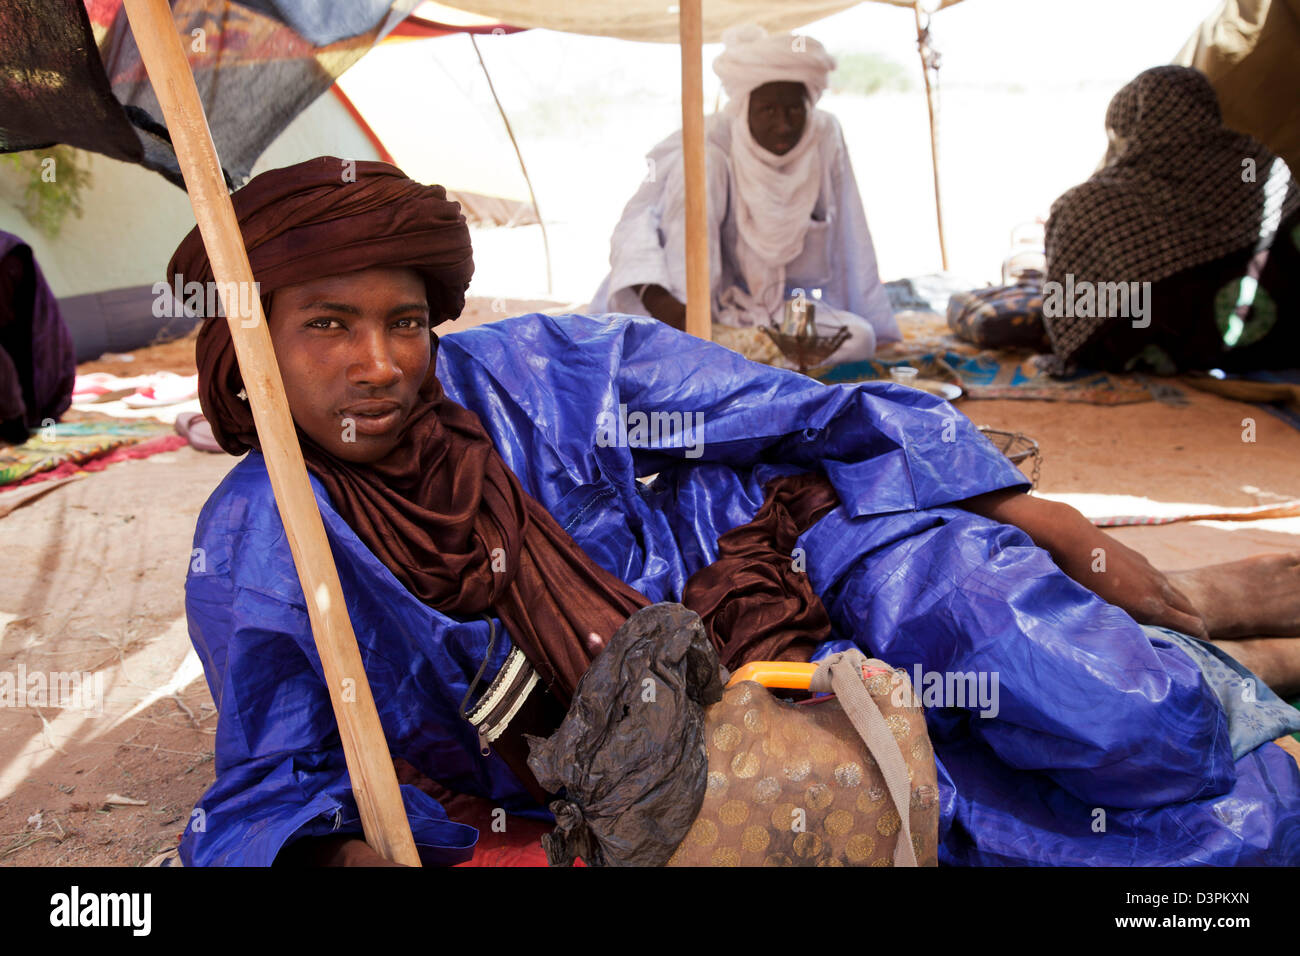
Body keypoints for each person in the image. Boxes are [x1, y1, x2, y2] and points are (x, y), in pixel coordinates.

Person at [176, 157, 1300, 868]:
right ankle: (1246, 698)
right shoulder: (260, 547)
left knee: (1087, 701)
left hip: (792, 544)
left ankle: (1203, 634)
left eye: (404, 321)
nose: (379, 362)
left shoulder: (533, 368)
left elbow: (787, 410)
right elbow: (272, 789)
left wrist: (1031, 510)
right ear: (252, 341)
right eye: (328, 323)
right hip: (678, 725)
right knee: (985, 819)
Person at [590, 25, 898, 366]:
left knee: (859, 338)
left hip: (779, 311)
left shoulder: (823, 135)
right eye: (768, 110)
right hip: (688, 310)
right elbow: (637, 219)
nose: (783, 125)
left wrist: (871, 318)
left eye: (794, 110)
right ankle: (693, 345)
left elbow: (851, 233)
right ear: (745, 106)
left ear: (810, 107)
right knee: (704, 167)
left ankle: (730, 359)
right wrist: (668, 306)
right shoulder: (707, 140)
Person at [1044, 66, 1300, 374]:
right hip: (1279, 345)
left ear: (1130, 129)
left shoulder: (1092, 204)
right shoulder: (1261, 165)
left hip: (1144, 357)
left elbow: (1070, 306)